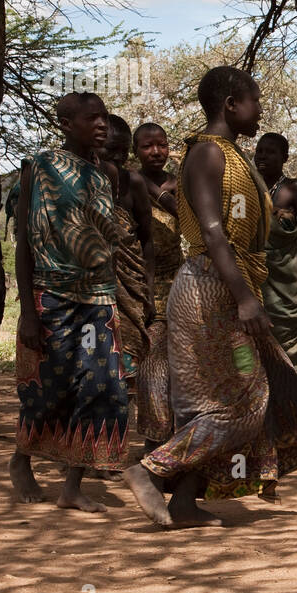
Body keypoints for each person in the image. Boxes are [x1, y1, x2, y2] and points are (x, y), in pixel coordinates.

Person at [121, 66, 297, 528]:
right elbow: (212, 232)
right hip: (213, 290)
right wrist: (244, 299)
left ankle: (185, 501)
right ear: (231, 104)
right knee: (249, 402)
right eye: (255, 100)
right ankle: (150, 469)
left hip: (227, 284)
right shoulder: (208, 154)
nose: (261, 109)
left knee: (214, 401)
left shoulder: (229, 155)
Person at [8, 92, 129, 512]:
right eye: (92, 118)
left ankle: (72, 486)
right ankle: (21, 460)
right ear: (65, 122)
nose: (102, 126)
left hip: (98, 295)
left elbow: (106, 242)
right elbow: (25, 242)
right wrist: (26, 310)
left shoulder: (105, 174)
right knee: (48, 388)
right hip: (50, 293)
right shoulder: (38, 168)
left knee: (100, 387)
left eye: (105, 119)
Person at [133, 122, 184, 453]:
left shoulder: (180, 185)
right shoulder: (126, 184)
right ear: (135, 151)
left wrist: (159, 193)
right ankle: (153, 444)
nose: (156, 152)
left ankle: (166, 445)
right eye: (147, 146)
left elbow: (188, 219)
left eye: (162, 145)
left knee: (174, 369)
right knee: (149, 369)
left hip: (175, 284)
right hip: (136, 284)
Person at [255, 132, 297, 374]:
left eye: (270, 152)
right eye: (259, 151)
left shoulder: (293, 189)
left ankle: (291, 400)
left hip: (290, 284)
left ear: (285, 157)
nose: (262, 156)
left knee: (291, 347)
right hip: (257, 281)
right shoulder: (247, 188)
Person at [101, 114, 155, 387]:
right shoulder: (85, 181)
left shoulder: (134, 182)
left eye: (124, 150)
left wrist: (149, 289)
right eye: (112, 150)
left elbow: (146, 239)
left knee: (130, 361)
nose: (119, 156)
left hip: (131, 284)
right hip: (97, 287)